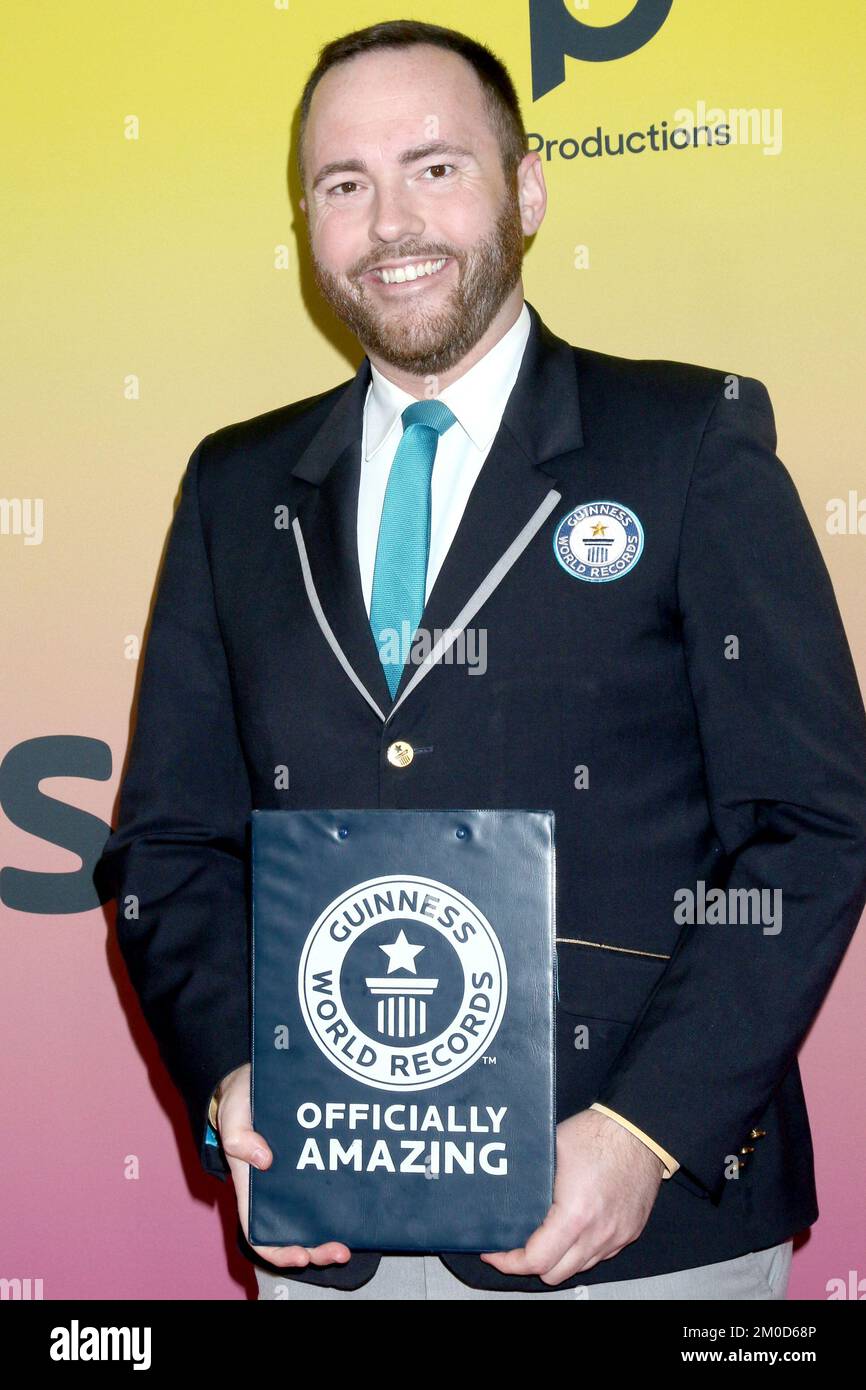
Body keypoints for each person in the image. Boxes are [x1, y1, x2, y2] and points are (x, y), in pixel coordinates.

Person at [95, 20, 866, 1301]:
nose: (388, 220)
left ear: (525, 189)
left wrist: (642, 1134)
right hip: (328, 1230)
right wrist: (240, 1078)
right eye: (344, 184)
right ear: (307, 223)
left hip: (634, 1230)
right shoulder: (235, 488)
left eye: (434, 167)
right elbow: (168, 844)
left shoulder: (684, 440)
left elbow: (808, 821)